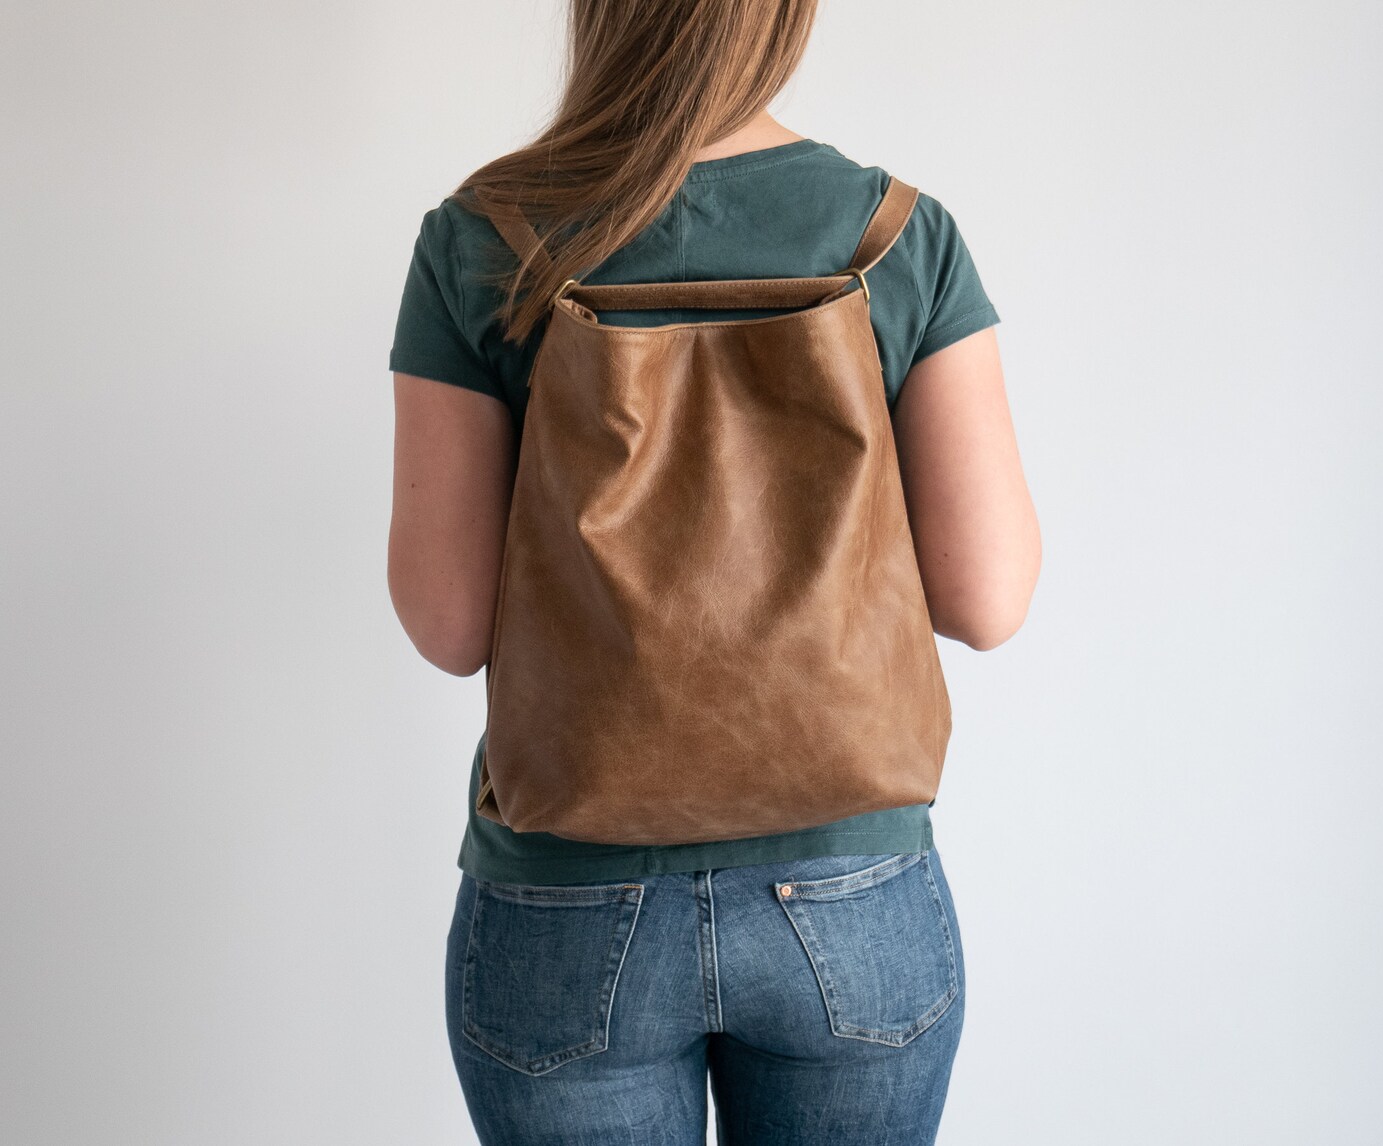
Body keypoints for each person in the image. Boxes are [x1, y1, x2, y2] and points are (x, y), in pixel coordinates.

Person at [386, 1, 1041, 1141]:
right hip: (848, 894)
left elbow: (447, 624)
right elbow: (988, 600)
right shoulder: (896, 234)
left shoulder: (483, 237)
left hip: (565, 898)